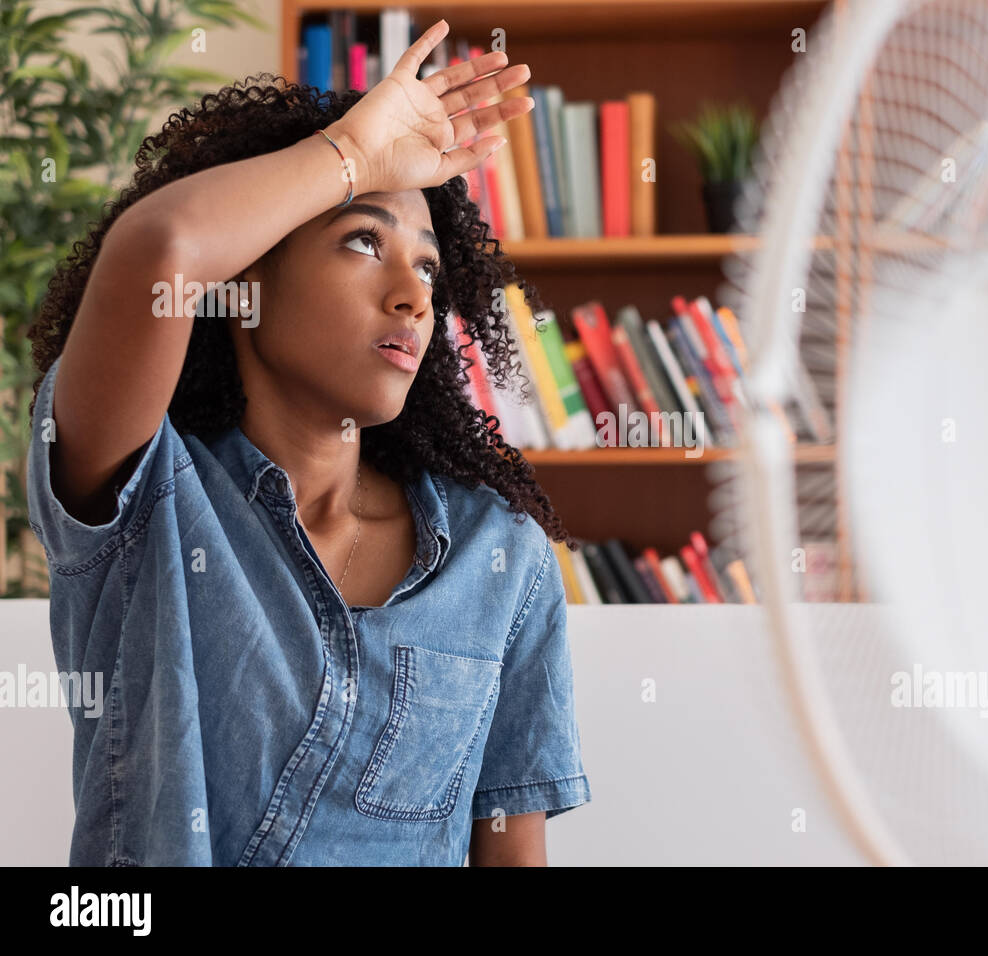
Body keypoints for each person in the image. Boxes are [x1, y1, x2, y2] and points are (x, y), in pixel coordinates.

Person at [24, 19, 591, 866]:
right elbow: (160, 249)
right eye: (363, 241)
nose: (412, 297)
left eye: (429, 267)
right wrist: (356, 149)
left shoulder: (499, 557)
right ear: (246, 274)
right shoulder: (147, 500)